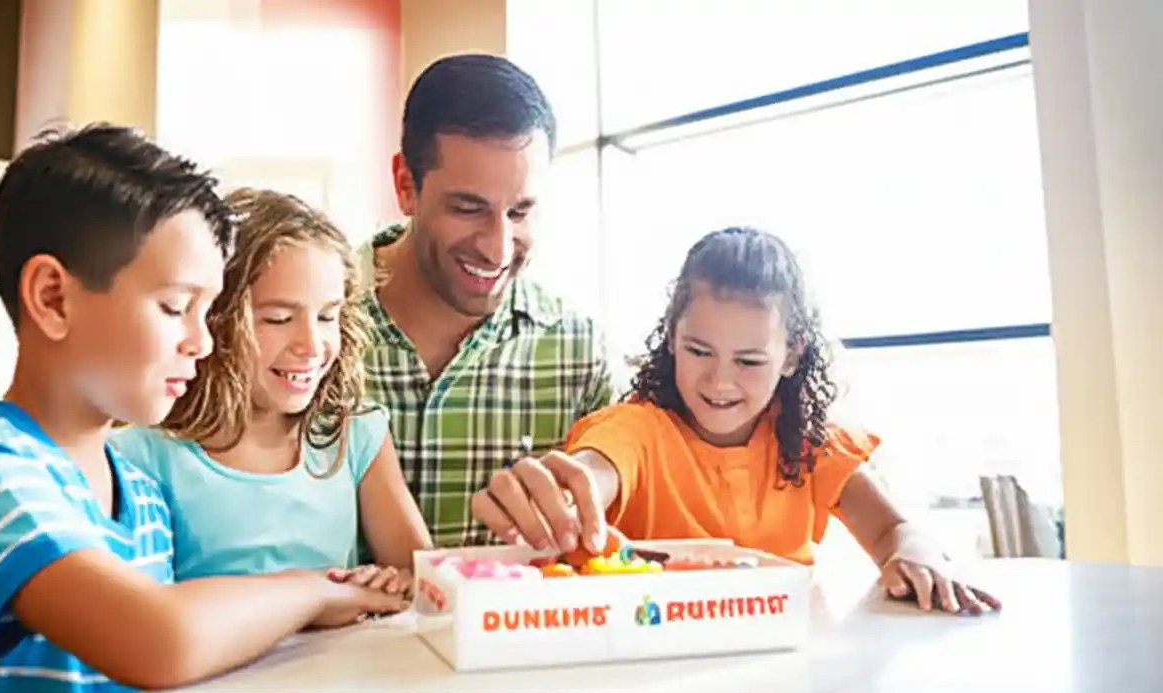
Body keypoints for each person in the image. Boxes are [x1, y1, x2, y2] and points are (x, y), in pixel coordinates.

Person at [0, 125, 404, 693]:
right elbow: (159, 641)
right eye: (176, 307)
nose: (203, 343)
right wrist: (316, 590)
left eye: (208, 312)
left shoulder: (138, 494)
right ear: (53, 298)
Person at [472, 226, 1002, 615]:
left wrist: (917, 552)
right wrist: (565, 493)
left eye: (748, 361)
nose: (720, 382)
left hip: (784, 669)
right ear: (671, 337)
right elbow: (593, 470)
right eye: (699, 351)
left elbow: (892, 529)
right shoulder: (637, 429)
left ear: (792, 355)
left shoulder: (810, 442)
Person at [112, 188, 430, 590]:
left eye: (327, 317)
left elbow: (423, 577)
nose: (311, 346)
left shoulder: (355, 434)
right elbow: (143, 610)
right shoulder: (144, 453)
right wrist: (321, 597)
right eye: (278, 318)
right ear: (214, 320)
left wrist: (387, 583)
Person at [360, 53, 614, 551]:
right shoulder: (305, 327)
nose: (497, 250)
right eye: (467, 208)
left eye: (520, 212)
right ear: (406, 186)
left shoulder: (579, 353)